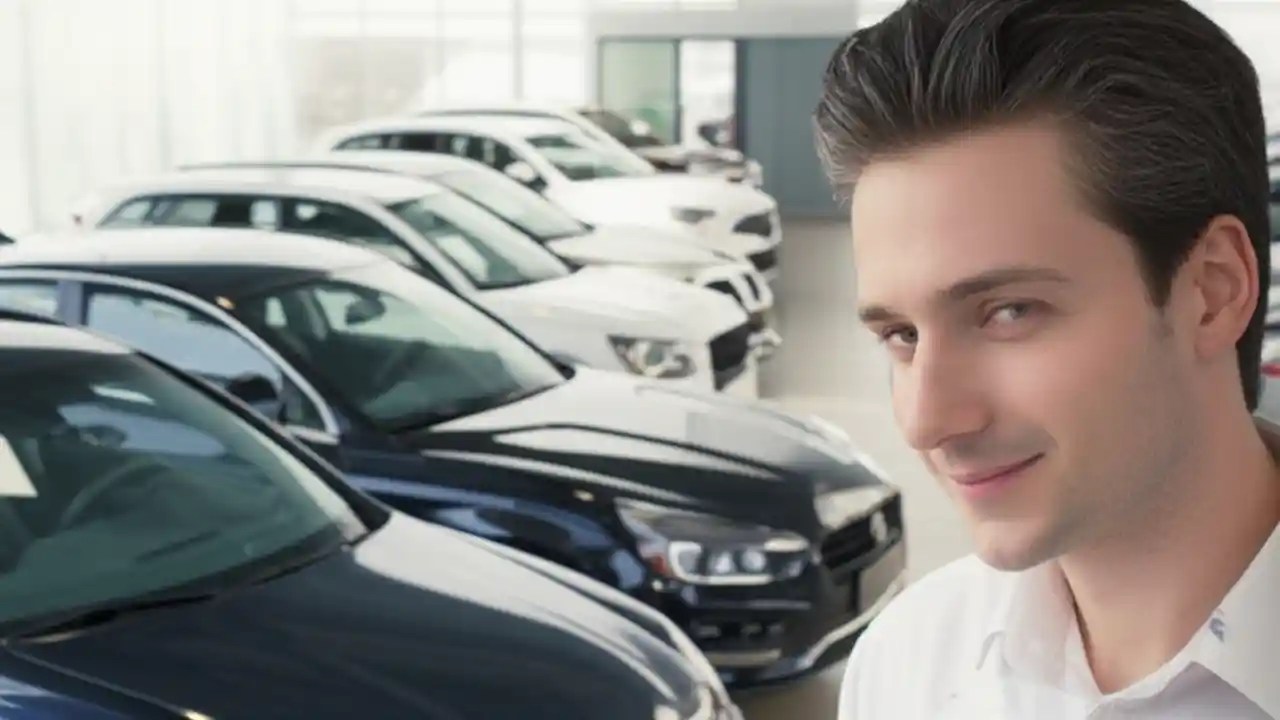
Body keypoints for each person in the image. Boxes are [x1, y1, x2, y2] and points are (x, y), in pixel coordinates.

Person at [813, 0, 1279, 717]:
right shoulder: (907, 664)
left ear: (1213, 292)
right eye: (902, 335)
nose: (926, 420)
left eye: (1009, 312)